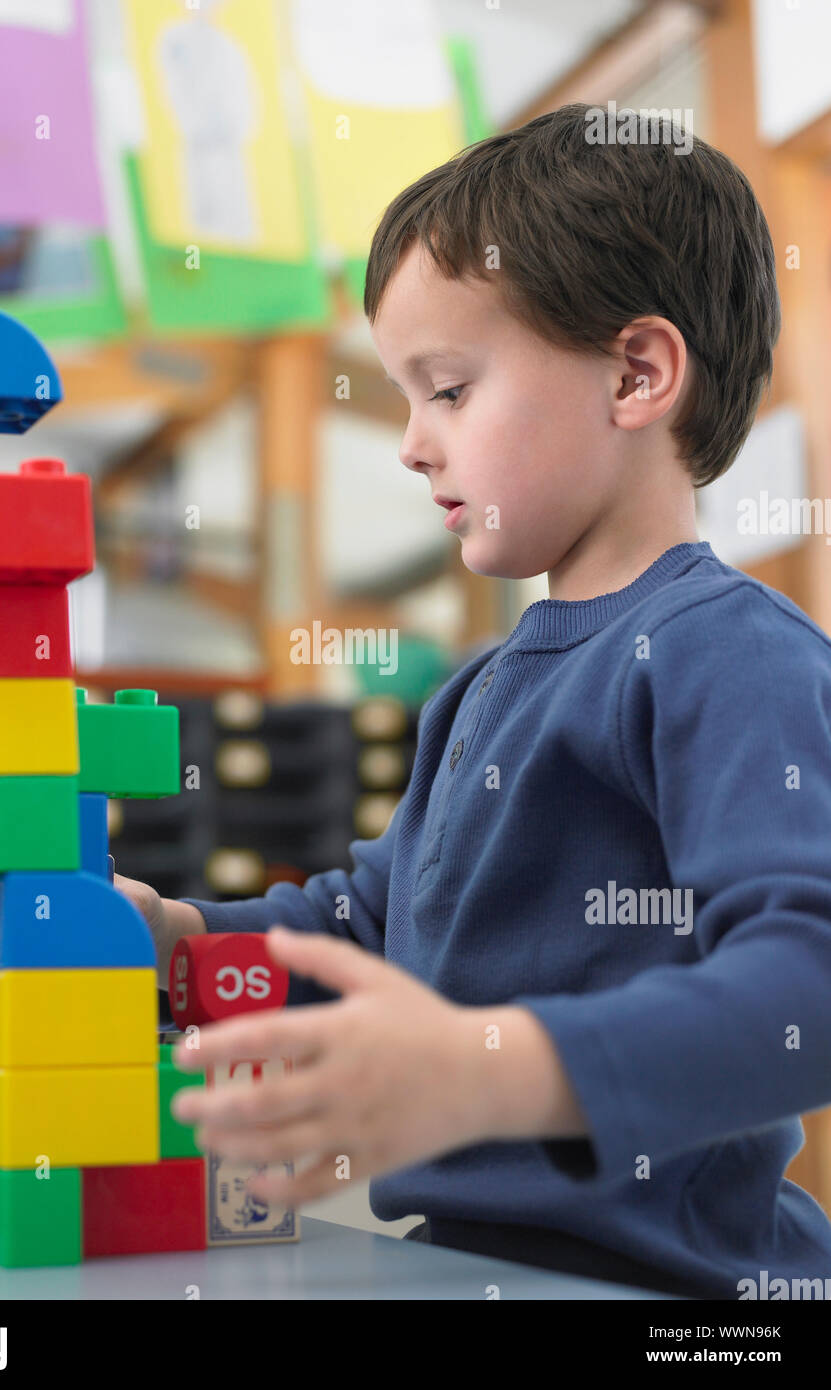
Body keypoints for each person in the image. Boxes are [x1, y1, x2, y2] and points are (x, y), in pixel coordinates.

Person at [117, 103, 831, 1300]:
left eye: (447, 388)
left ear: (637, 374)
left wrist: (500, 1068)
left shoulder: (731, 656)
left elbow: (809, 975)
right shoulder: (478, 696)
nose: (409, 443)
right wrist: (185, 952)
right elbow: (373, 932)